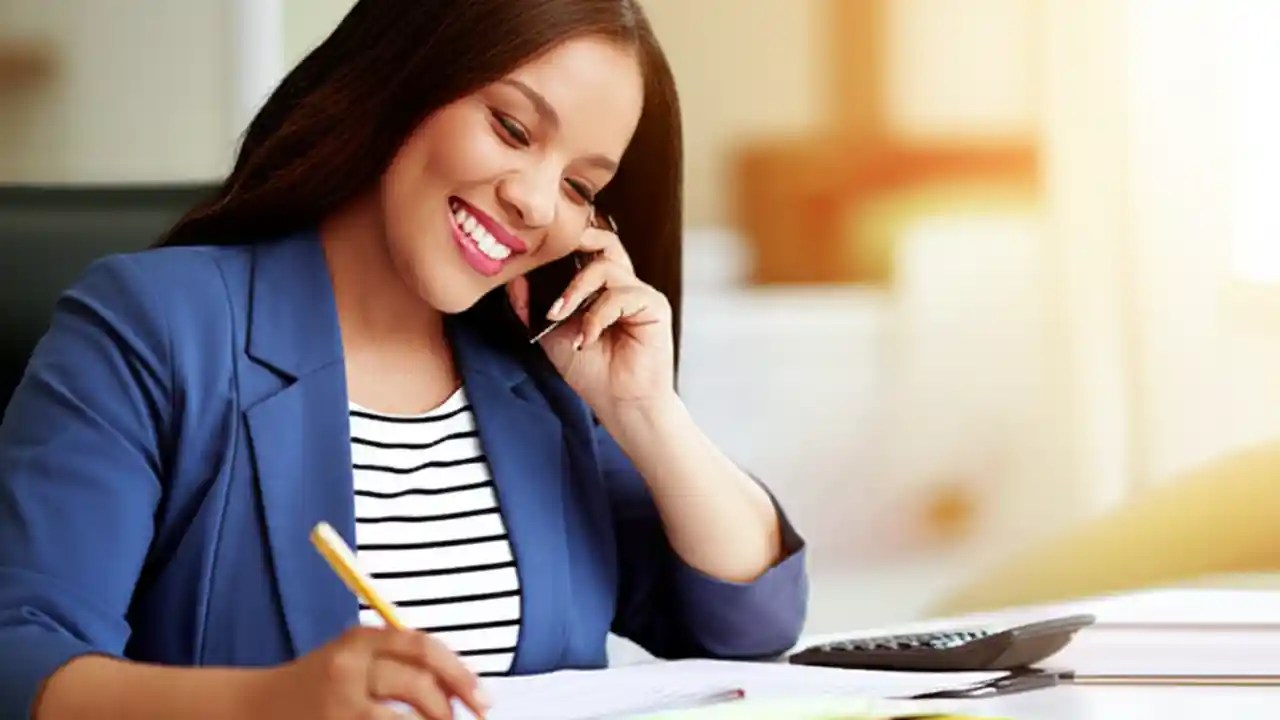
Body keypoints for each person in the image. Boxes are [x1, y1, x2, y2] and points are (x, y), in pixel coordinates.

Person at [0, 1, 808, 719]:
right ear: (405, 80)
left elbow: (745, 623)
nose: (533, 201)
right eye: (513, 128)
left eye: (578, 187)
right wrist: (271, 704)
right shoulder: (160, 324)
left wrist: (646, 412)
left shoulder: (532, 377)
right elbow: (20, 658)